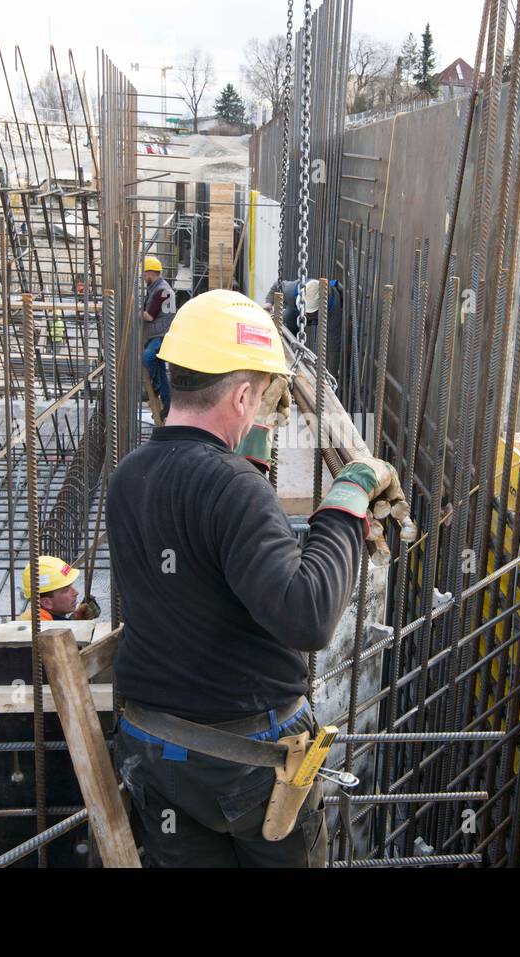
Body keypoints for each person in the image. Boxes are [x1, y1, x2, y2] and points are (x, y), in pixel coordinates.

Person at [106, 289, 405, 867]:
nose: (264, 406)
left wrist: (247, 471)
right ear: (242, 394)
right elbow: (307, 615)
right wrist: (345, 503)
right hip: (244, 762)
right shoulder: (233, 489)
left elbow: (198, 559)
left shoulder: (129, 477)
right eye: (261, 395)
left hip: (154, 749)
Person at [139, 255, 176, 417]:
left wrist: (133, 311)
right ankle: (167, 406)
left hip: (161, 334)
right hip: (159, 333)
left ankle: (156, 385)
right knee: (160, 369)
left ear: (150, 273)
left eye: (144, 274)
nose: (143, 278)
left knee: (147, 357)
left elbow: (149, 316)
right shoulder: (157, 287)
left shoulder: (161, 290)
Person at [19, 556, 99, 621]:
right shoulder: (43, 630)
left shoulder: (40, 619)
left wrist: (75, 621)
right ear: (46, 602)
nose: (76, 592)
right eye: (66, 590)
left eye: (71, 586)